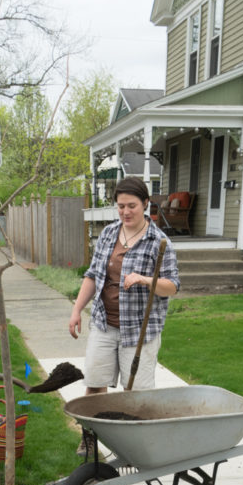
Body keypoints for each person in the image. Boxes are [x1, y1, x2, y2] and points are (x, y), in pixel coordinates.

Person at [68, 176, 180, 453]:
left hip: (140, 331)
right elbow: (93, 275)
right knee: (94, 385)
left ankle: (134, 446)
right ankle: (91, 437)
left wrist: (144, 279)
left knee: (136, 395)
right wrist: (77, 309)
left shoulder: (159, 242)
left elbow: (172, 287)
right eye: (120, 206)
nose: (125, 212)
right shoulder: (109, 233)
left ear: (145, 204)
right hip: (104, 324)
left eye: (132, 206)